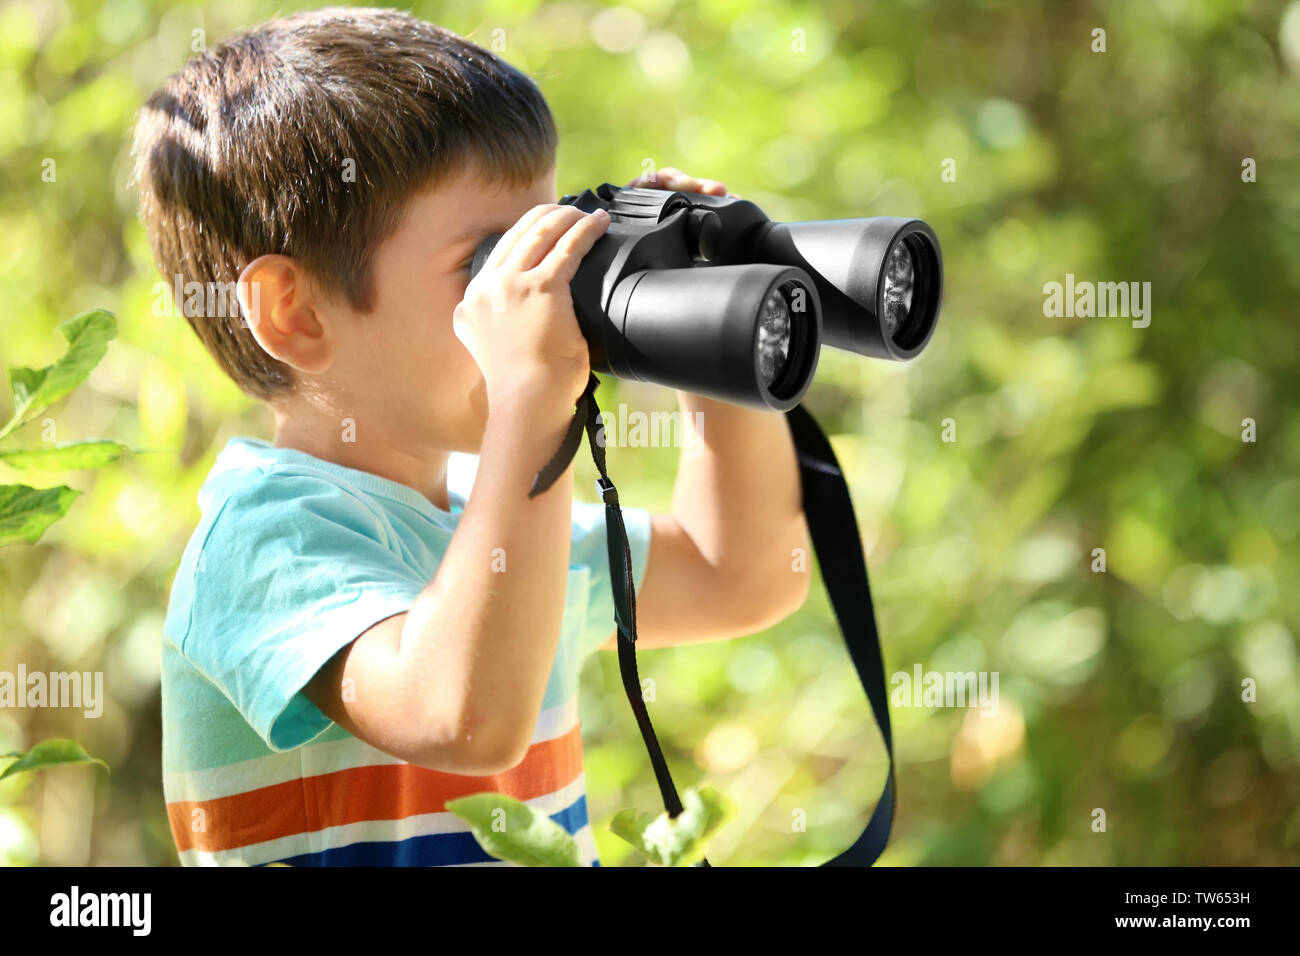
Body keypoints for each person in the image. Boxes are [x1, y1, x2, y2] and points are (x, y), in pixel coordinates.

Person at [132, 6, 809, 866]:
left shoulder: (487, 516)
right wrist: (535, 394)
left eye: (548, 242)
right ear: (295, 313)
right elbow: (460, 715)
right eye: (493, 264)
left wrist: (719, 324)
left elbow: (739, 578)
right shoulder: (265, 542)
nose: (544, 293)